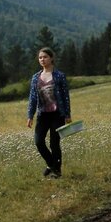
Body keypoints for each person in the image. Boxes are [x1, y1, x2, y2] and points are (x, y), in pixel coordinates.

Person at [27, 47, 71, 178]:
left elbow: (65, 97)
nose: (42, 59)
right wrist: (30, 115)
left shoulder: (59, 76)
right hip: (43, 115)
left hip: (57, 114)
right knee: (38, 142)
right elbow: (32, 98)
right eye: (40, 57)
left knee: (54, 143)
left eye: (45, 57)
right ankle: (51, 164)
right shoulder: (35, 78)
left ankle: (57, 171)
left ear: (51, 58)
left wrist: (68, 115)